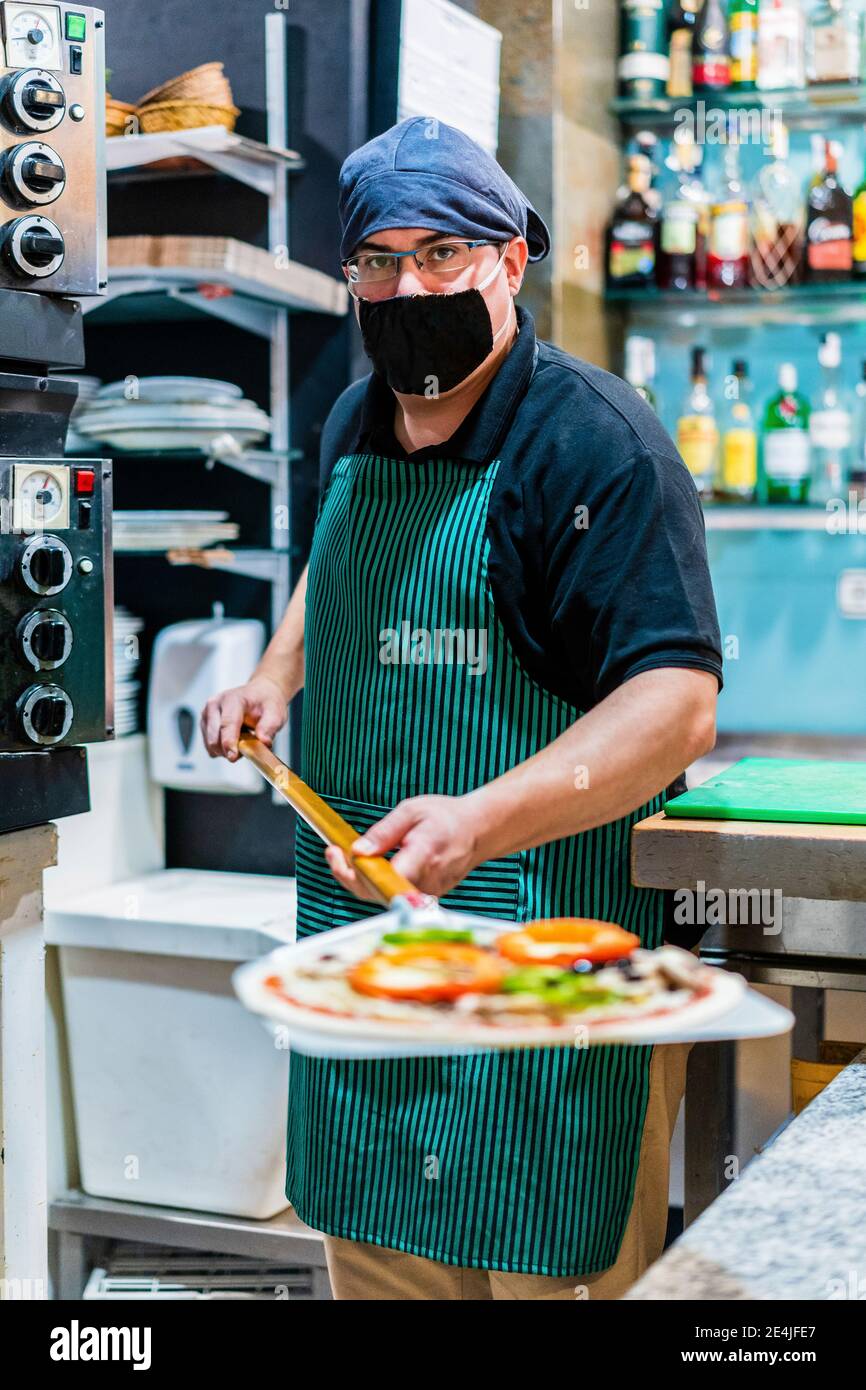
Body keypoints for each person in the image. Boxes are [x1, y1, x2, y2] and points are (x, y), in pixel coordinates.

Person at [202, 116, 723, 1301]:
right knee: (379, 1259)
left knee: (550, 1265)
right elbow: (332, 575)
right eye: (377, 262)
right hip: (363, 959)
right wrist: (274, 677)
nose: (409, 285)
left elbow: (677, 702)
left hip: (544, 966)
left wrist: (478, 822)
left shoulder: (596, 447)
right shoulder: (351, 418)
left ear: (510, 259)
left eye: (442, 253)